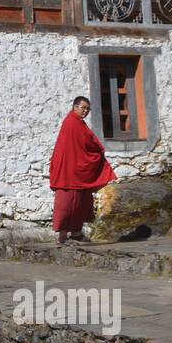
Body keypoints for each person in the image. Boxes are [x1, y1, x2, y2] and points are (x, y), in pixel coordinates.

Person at [48, 96, 116, 244]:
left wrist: (95, 152)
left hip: (77, 169)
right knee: (67, 202)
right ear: (74, 107)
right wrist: (97, 152)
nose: (85, 111)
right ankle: (63, 235)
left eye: (87, 109)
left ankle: (77, 233)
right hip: (68, 171)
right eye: (83, 108)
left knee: (81, 201)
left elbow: (86, 144)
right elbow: (87, 143)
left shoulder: (78, 123)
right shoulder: (71, 123)